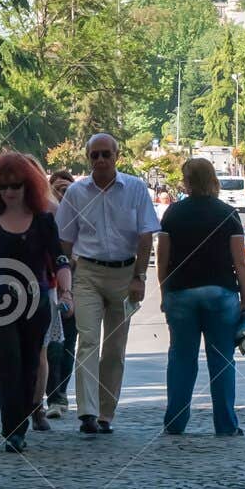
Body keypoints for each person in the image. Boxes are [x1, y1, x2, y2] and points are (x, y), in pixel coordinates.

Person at [0, 152, 71, 451]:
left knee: (29, 364)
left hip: (37, 303)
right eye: (3, 186)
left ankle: (20, 422)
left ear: (29, 186)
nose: (9, 191)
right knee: (7, 362)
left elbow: (60, 260)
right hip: (0, 303)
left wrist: (66, 292)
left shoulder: (44, 220)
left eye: (16, 185)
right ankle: (12, 428)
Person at [54, 132, 160, 434]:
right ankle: (87, 413)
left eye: (106, 154)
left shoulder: (135, 188)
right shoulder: (76, 193)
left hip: (125, 275)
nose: (100, 160)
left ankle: (105, 413)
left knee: (114, 348)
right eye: (94, 155)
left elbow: (145, 235)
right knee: (87, 341)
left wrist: (140, 277)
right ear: (88, 158)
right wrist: (63, 282)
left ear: (116, 156)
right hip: (87, 272)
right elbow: (65, 240)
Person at [157, 156, 245, 437]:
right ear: (213, 179)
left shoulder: (173, 214)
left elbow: (162, 260)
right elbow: (240, 262)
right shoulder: (227, 213)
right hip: (220, 292)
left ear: (186, 181)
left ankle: (175, 422)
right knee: (222, 360)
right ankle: (226, 424)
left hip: (180, 292)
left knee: (181, 358)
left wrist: (164, 292)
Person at [45, 169, 78, 417]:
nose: (63, 194)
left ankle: (60, 395)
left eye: (68, 189)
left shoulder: (80, 215)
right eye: (58, 189)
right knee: (50, 345)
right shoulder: (45, 215)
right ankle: (50, 394)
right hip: (47, 285)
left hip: (74, 285)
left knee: (68, 342)